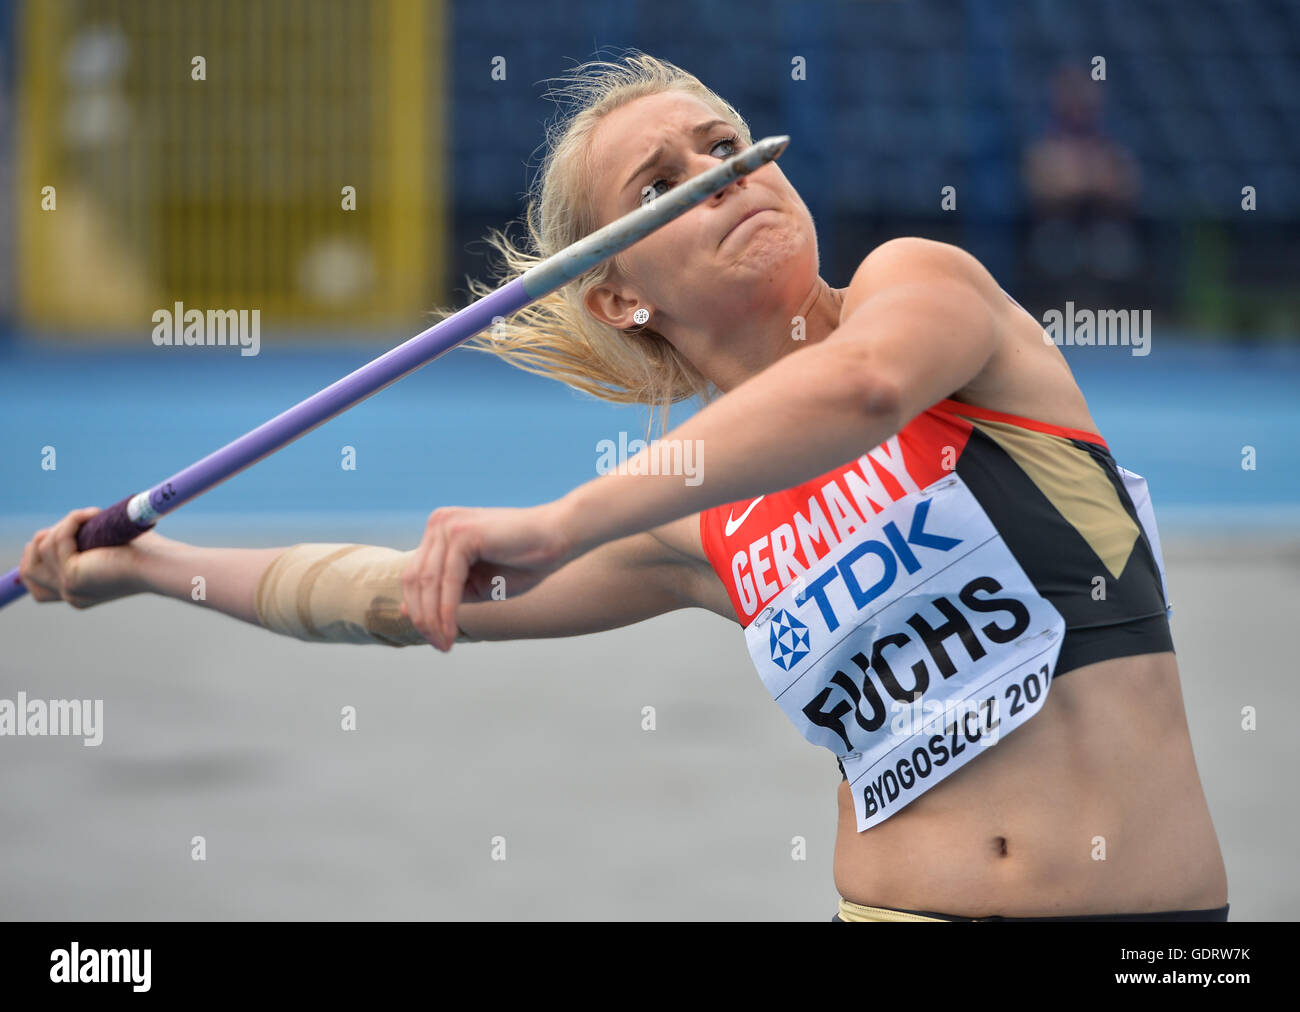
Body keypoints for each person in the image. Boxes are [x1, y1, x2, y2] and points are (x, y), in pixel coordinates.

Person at [19, 52, 1228, 922]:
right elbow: (392, 597)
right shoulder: (699, 525)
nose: (723, 173)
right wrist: (143, 569)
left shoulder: (923, 294)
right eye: (662, 184)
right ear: (618, 294)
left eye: (723, 143)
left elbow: (858, 391)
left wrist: (561, 520)